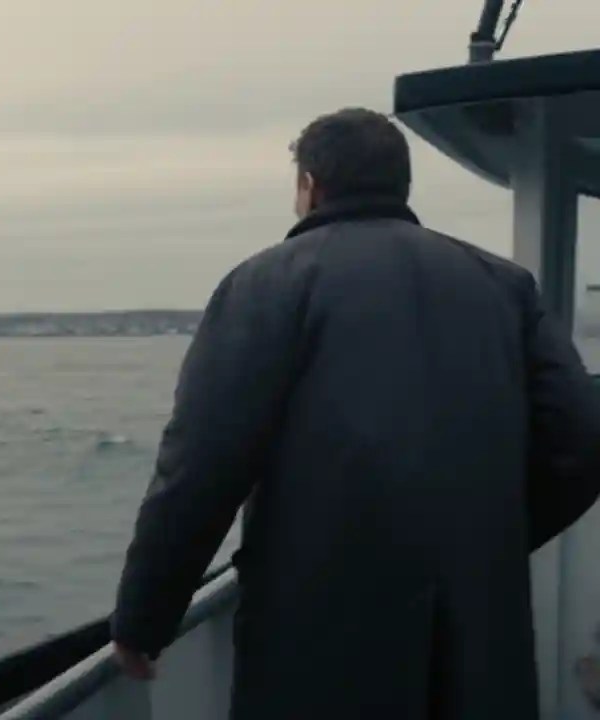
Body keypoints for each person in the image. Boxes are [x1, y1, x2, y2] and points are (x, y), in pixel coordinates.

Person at [109, 107, 600, 719]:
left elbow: (201, 465)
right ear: (401, 185)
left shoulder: (267, 284)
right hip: (477, 639)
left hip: (318, 641)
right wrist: (489, 541)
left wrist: (143, 619)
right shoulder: (504, 285)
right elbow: (581, 440)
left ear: (309, 186)